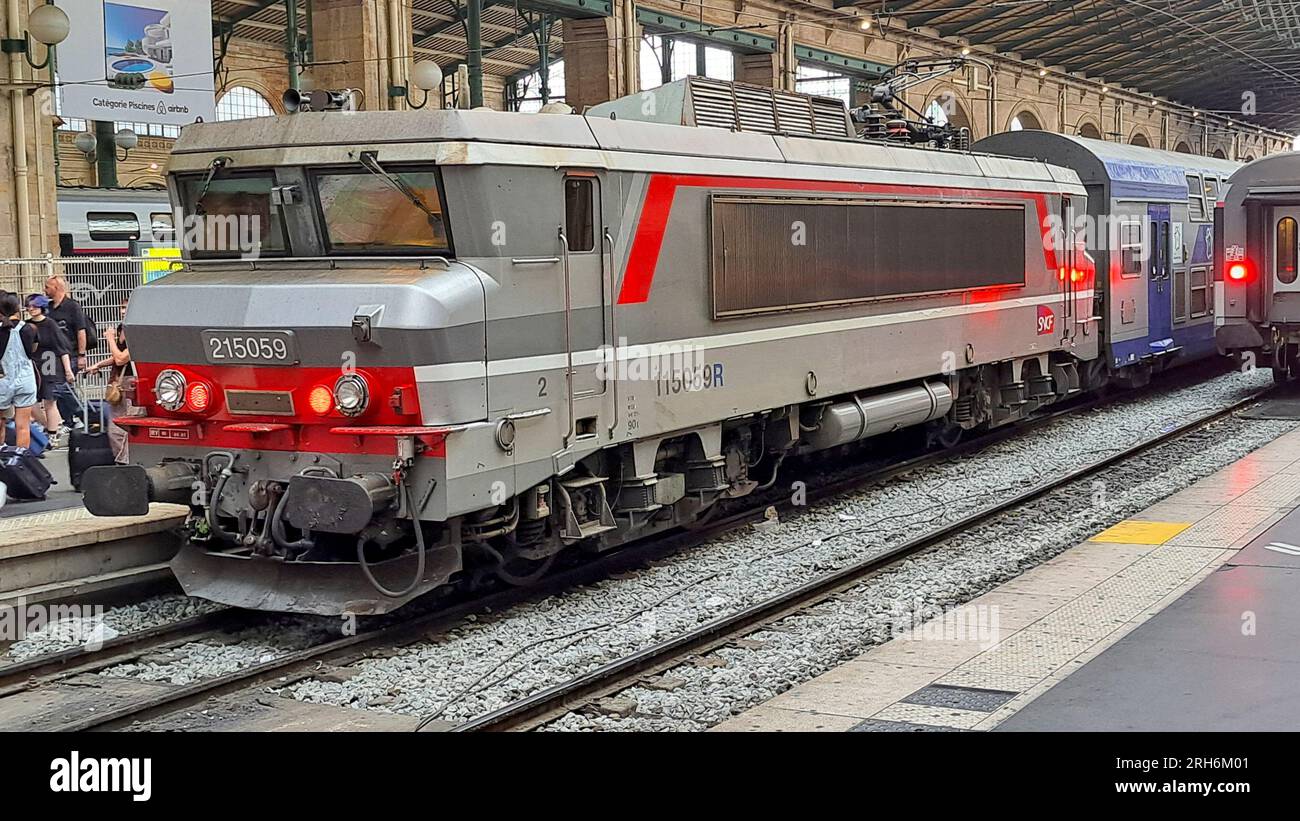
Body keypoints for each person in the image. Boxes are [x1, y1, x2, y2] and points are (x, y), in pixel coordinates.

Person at [85, 298, 131, 463]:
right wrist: (98, 364)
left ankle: (125, 461)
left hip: (132, 381)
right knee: (115, 424)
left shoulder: (137, 331)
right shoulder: (121, 328)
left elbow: (121, 359)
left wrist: (110, 338)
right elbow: (115, 357)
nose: (123, 311)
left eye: (127, 307)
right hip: (118, 380)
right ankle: (121, 459)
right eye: (122, 307)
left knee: (126, 424)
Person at [25, 294, 74, 442]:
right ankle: (49, 427)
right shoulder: (26, 325)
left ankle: (52, 434)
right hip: (33, 366)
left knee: (49, 401)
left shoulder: (50, 324)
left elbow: (62, 348)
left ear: (42, 306)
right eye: (29, 306)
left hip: (50, 365)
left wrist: (68, 370)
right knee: (31, 403)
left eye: (34, 305)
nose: (31, 309)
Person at [44, 275, 89, 429]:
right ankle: (69, 421)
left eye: (48, 287)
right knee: (58, 389)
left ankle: (84, 413)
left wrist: (82, 355)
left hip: (71, 354)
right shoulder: (48, 308)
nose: (45, 290)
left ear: (56, 288)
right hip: (53, 357)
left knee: (62, 387)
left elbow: (81, 331)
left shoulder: (72, 307)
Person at [0, 293, 39, 450]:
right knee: (23, 426)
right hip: (25, 379)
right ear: (17, 308)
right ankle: (20, 460)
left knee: (1, 423)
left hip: (3, 379)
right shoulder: (30, 328)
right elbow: (33, 350)